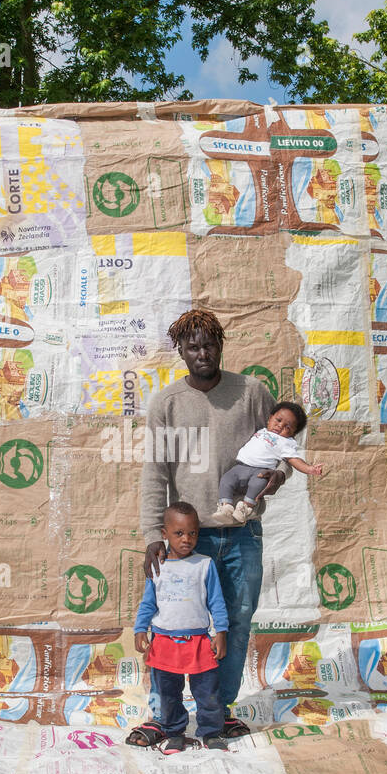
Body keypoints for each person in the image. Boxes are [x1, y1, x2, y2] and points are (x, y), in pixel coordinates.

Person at [130, 308, 286, 748]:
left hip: (240, 534)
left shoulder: (252, 393)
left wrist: (276, 478)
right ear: (180, 350)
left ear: (221, 345)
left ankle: (221, 710)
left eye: (209, 344)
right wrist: (152, 537)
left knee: (234, 623)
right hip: (185, 544)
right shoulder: (168, 403)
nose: (202, 353)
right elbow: (155, 473)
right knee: (171, 624)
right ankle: (164, 716)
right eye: (193, 346)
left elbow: (281, 453)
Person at [131, 503, 229, 752]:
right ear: (164, 534)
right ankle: (174, 732)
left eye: (193, 533)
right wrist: (140, 629)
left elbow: (216, 602)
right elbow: (148, 602)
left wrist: (221, 633)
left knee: (208, 692)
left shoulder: (204, 565)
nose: (187, 539)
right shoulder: (157, 566)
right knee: (167, 693)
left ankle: (211, 732)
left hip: (198, 641)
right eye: (179, 533)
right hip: (164, 642)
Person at [211, 400, 324, 524]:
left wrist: (309, 469)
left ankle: (245, 508)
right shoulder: (262, 431)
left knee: (257, 484)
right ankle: (225, 507)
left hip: (261, 471)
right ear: (270, 418)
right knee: (226, 479)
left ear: (292, 434)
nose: (280, 426)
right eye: (278, 420)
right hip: (241, 466)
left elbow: (294, 460)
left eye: (287, 427)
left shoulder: (285, 443)